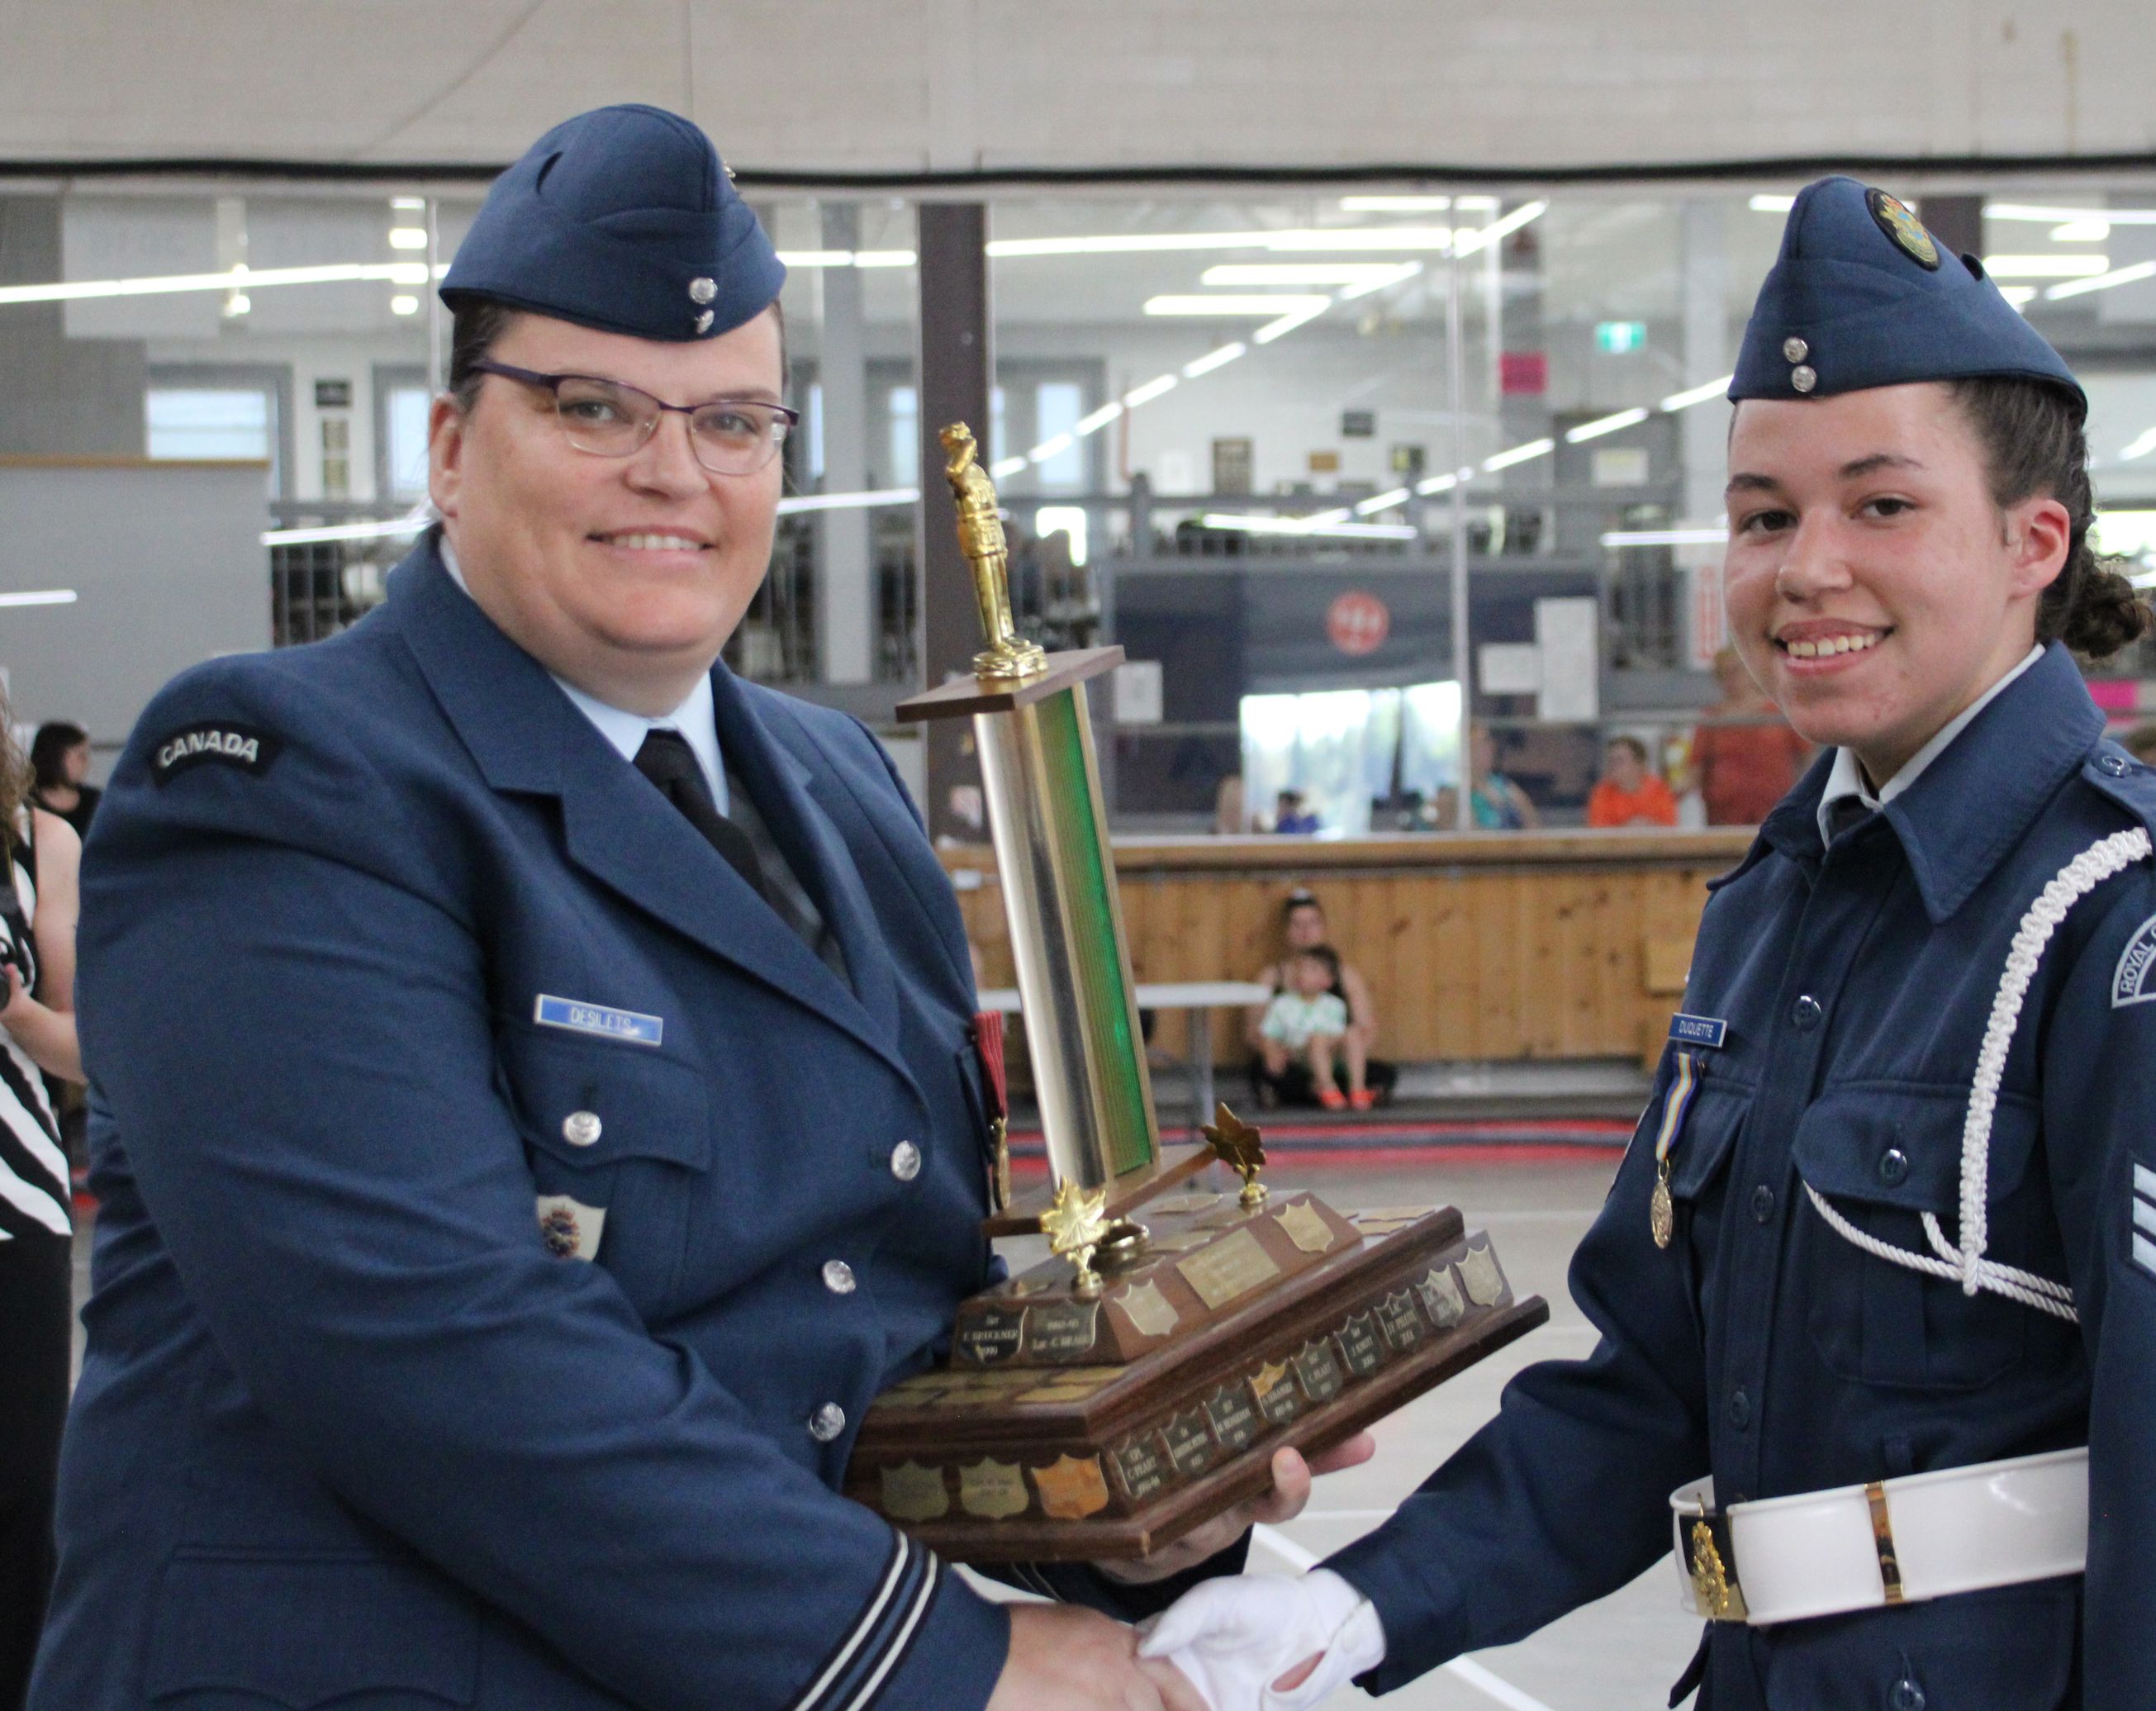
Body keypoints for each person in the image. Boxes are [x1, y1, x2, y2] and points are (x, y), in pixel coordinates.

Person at [31, 106, 1370, 1711]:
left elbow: (871, 1317)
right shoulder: (275, 774)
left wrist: (1147, 1480)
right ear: (451, 449)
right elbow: (438, 1348)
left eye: (734, 422)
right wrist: (946, 1663)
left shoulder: (841, 790)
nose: (675, 471)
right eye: (593, 407)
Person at [1143, 176, 2156, 1711]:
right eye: (1762, 515)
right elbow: (1652, 1389)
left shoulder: (2151, 930)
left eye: (1882, 504)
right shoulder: (1783, 904)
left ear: (2033, 542)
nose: (1806, 568)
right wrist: (1344, 1613)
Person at [0, 692, 80, 1711]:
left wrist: (16, 1009)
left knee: (22, 1492)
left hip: (14, 1198)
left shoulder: (39, 842)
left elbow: (87, 1042)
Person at [1247, 890, 1396, 1109]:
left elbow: (1367, 1028)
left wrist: (1347, 1052)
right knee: (1259, 1071)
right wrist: (1274, 1052)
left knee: (1384, 1073)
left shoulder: (1346, 976)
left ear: (1323, 927)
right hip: (1295, 1059)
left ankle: (1334, 1090)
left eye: (1312, 923)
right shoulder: (1271, 976)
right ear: (1286, 930)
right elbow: (1253, 1032)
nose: (1305, 931)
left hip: (1336, 1058)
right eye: (1297, 925)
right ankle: (1318, 1090)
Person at [1684, 647, 1809, 825]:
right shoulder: (1712, 719)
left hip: (1777, 812)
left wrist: (1806, 800)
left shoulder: (1780, 712)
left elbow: (1807, 759)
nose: (1731, 678)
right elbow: (1695, 770)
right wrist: (1660, 796)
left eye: (1736, 670)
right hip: (1724, 817)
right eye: (1723, 673)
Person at [1252, 947, 1368, 1111]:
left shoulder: (1334, 1005)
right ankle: (1327, 1087)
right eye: (1299, 968)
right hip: (1298, 1054)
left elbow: (1336, 1035)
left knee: (1351, 1034)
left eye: (1311, 970)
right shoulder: (1282, 1004)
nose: (1301, 973)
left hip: (1329, 1054)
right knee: (1315, 1040)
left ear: (1327, 981)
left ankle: (1357, 1088)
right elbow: (1269, 1033)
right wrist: (1272, 1053)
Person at [1584, 733, 1679, 828]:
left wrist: (1649, 826)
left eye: (1619, 760)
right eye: (1610, 760)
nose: (1612, 766)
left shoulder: (1659, 790)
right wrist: (1627, 830)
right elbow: (1598, 833)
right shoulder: (1602, 792)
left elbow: (1671, 829)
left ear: (1639, 764)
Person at [26, 724, 98, 843]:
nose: (87, 764)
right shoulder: (25, 806)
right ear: (56, 758)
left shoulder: (96, 802)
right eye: (81, 757)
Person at [1465, 725, 1540, 829]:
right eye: (1481, 744)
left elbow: (1532, 821)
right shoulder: (1458, 794)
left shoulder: (1503, 785)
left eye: (1489, 742)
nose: (1490, 749)